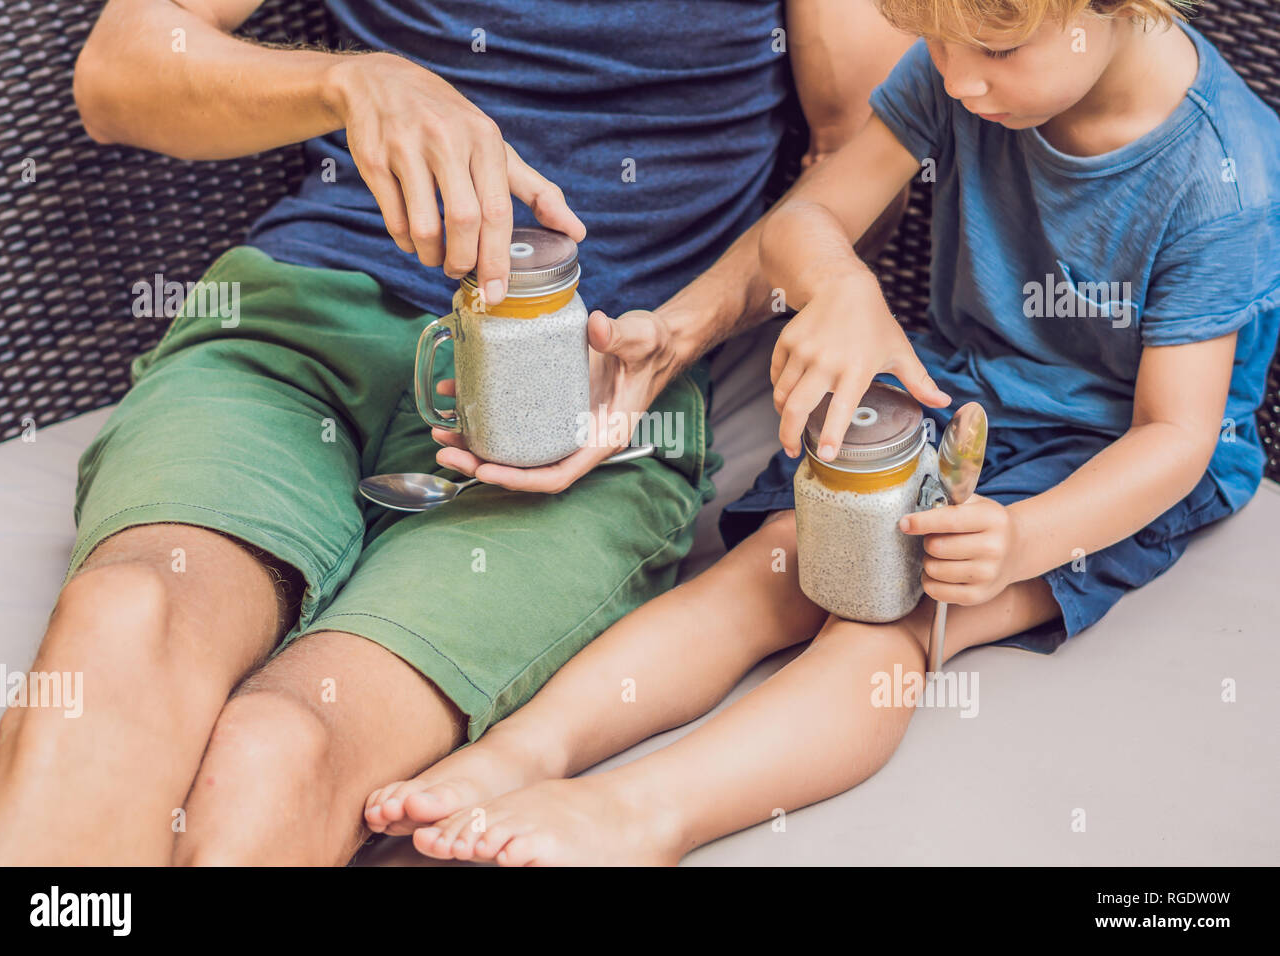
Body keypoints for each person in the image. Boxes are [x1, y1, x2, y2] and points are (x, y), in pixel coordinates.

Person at [0, 0, 912, 864]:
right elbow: (119, 70)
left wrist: (678, 337)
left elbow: (853, 162)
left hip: (585, 409)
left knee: (281, 746)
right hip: (300, 320)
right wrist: (350, 81)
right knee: (126, 615)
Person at [364, 0, 1280, 865]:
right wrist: (839, 285)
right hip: (954, 398)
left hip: (1103, 466)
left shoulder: (1219, 178)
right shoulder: (960, 55)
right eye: (939, 42)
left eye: (995, 53)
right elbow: (805, 220)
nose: (957, 81)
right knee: (773, 566)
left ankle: (640, 813)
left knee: (890, 619)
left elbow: (1175, 436)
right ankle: (522, 753)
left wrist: (1021, 542)